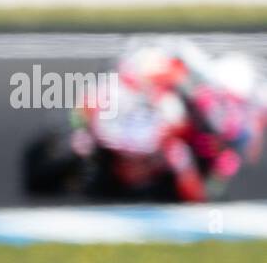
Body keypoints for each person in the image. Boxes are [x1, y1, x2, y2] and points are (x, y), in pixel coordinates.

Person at [73, 37, 267, 202]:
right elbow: (143, 71)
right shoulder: (189, 75)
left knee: (192, 172)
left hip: (174, 140)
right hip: (142, 119)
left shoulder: (229, 133)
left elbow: (206, 185)